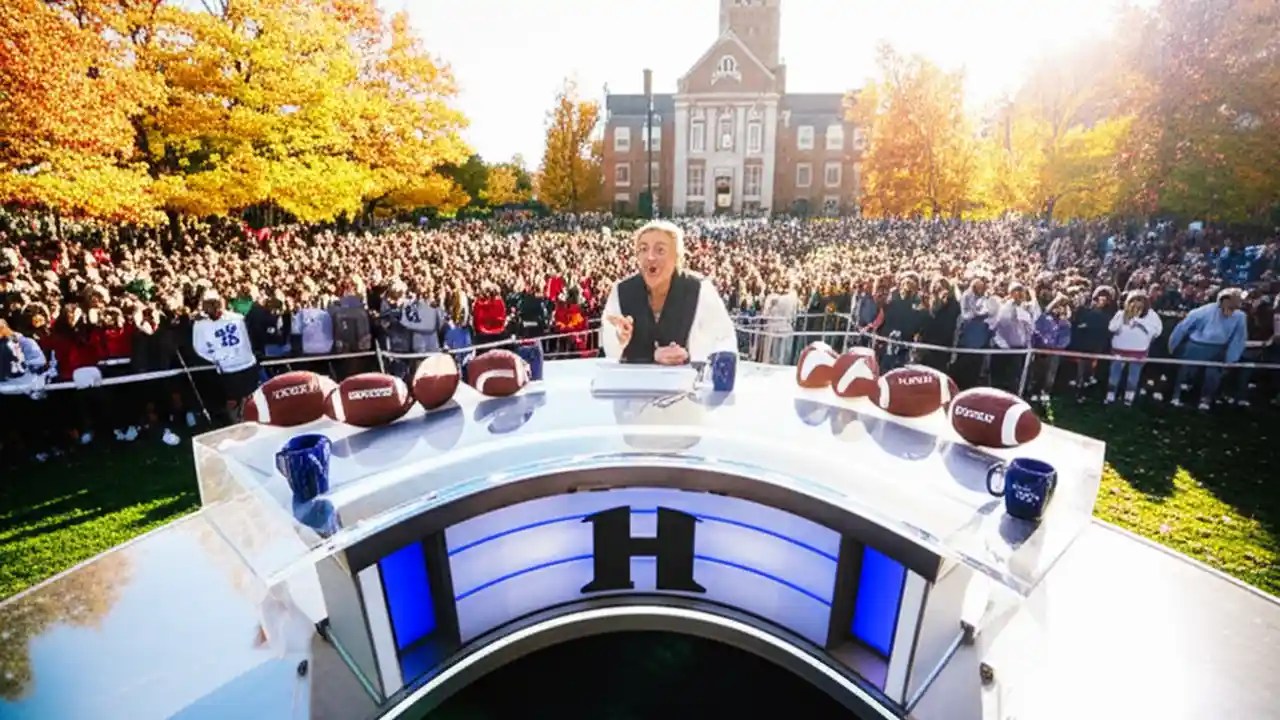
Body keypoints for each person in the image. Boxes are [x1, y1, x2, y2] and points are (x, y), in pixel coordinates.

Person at [601, 220, 736, 365]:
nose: (650, 257)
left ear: (677, 257)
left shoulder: (700, 290)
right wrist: (619, 338)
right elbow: (610, 348)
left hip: (686, 383)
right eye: (643, 249)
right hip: (634, 382)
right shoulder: (621, 291)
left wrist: (690, 354)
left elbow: (723, 341)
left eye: (660, 250)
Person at [1167, 287, 1247, 411]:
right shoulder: (1203, 311)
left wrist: (1232, 358)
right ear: (1222, 301)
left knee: (1213, 375)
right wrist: (1173, 344)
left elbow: (1239, 338)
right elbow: (1183, 327)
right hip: (1196, 346)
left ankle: (1205, 400)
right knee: (1185, 372)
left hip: (1218, 349)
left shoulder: (1240, 316)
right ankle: (1176, 396)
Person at [192, 290, 260, 423]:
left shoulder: (237, 318)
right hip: (228, 369)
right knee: (232, 400)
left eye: (216, 303)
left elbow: (247, 339)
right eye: (210, 304)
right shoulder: (200, 325)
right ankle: (237, 424)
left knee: (250, 396)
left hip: (247, 363)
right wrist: (218, 358)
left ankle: (253, 420)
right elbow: (200, 348)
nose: (214, 307)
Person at [1105, 290, 1162, 406]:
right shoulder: (1121, 314)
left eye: (1140, 301)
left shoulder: (1151, 315)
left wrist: (1139, 322)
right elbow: (1111, 328)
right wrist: (1122, 320)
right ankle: (1110, 396)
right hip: (1119, 350)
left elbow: (1157, 331)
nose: (1136, 304)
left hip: (1138, 352)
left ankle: (1128, 398)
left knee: (1133, 376)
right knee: (1114, 375)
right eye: (1133, 301)